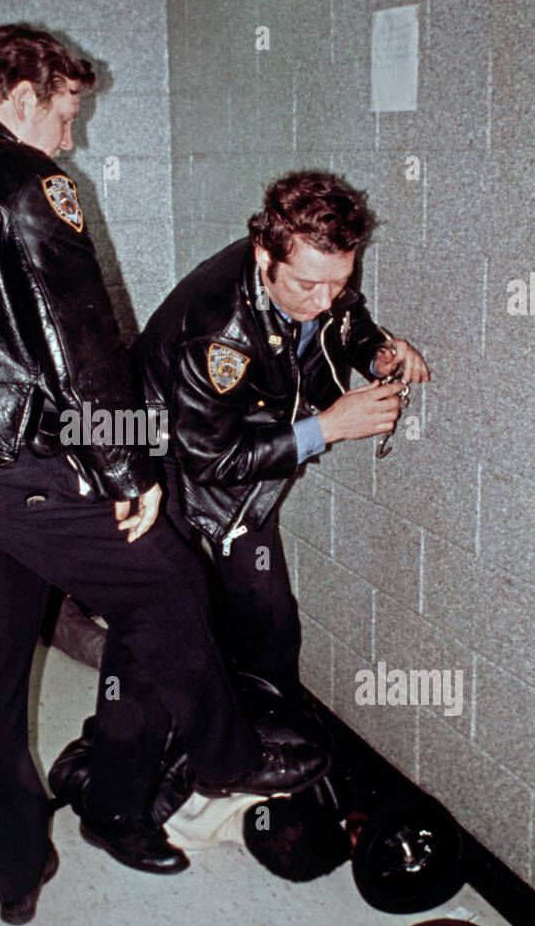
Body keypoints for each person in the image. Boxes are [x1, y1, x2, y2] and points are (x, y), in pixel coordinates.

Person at [0, 26, 329, 924]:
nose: (71, 137)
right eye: (67, 113)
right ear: (20, 97)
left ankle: (15, 870)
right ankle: (229, 756)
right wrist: (128, 473)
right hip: (17, 466)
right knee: (167, 580)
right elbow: (82, 345)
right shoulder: (26, 182)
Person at [80, 169, 430, 810]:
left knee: (268, 620)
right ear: (264, 254)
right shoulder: (220, 329)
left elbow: (344, 323)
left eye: (340, 281)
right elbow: (207, 456)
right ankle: (120, 794)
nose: (326, 299)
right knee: (158, 636)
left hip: (247, 470)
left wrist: (379, 352)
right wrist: (326, 427)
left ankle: (258, 756)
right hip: (166, 473)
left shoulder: (315, 280)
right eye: (308, 284)